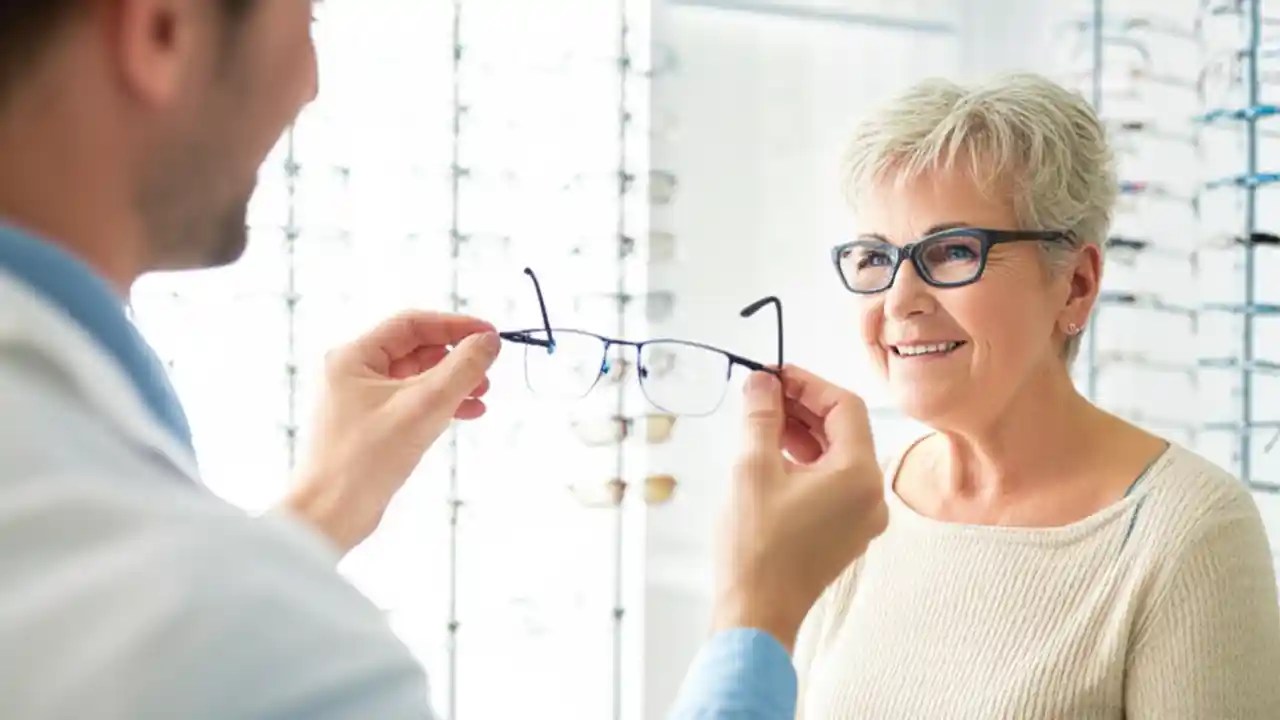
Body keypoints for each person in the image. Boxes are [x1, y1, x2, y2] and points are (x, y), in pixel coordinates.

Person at [0, 2, 888, 718]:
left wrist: (323, 508)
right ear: (162, 28)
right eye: (306, 22)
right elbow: (192, 643)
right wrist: (759, 616)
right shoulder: (278, 649)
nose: (309, 85)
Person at [794, 71, 1280, 719]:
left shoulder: (1188, 532)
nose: (900, 301)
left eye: (953, 251)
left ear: (1075, 285)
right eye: (876, 258)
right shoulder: (859, 510)